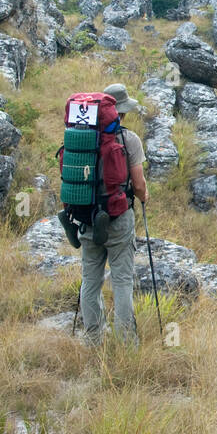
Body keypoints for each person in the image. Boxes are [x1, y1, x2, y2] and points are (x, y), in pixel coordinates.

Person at [79, 83, 148, 346]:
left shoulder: (81, 138)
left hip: (86, 217)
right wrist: (143, 197)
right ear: (120, 112)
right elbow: (139, 185)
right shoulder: (129, 139)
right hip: (118, 218)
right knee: (121, 281)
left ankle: (93, 339)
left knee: (90, 280)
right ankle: (126, 343)